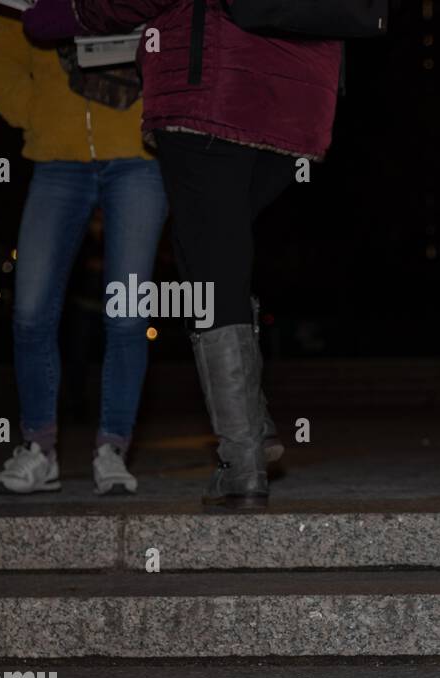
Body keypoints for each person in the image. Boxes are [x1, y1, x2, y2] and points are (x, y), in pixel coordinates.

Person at [33, 0, 344, 508]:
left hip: (212, 91)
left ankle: (242, 461)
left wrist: (69, 13)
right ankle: (254, 424)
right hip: (297, 102)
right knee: (215, 251)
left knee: (211, 263)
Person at [0, 11, 167, 495]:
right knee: (30, 311)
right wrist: (36, 111)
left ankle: (113, 449)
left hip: (137, 158)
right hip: (56, 161)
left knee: (126, 313)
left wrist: (161, 114)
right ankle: (40, 451)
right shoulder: (32, 1)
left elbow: (180, 45)